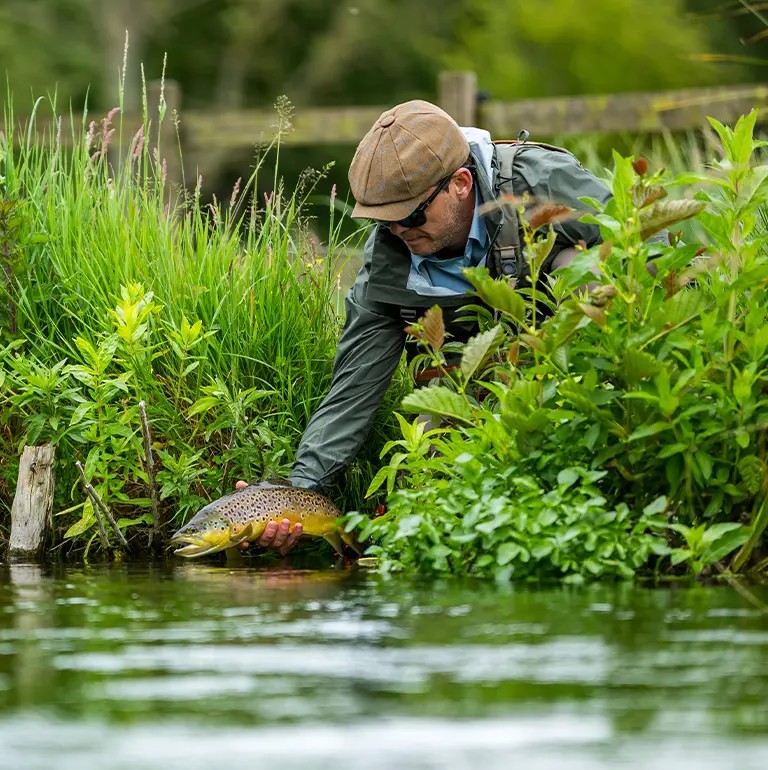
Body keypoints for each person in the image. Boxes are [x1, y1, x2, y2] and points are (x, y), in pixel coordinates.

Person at [242, 98, 614, 555]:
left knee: (588, 270)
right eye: (385, 220)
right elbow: (352, 392)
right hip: (463, 384)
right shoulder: (388, 267)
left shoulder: (541, 180)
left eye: (409, 215)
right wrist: (296, 492)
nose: (397, 232)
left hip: (568, 371)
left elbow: (649, 252)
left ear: (460, 183)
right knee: (431, 490)